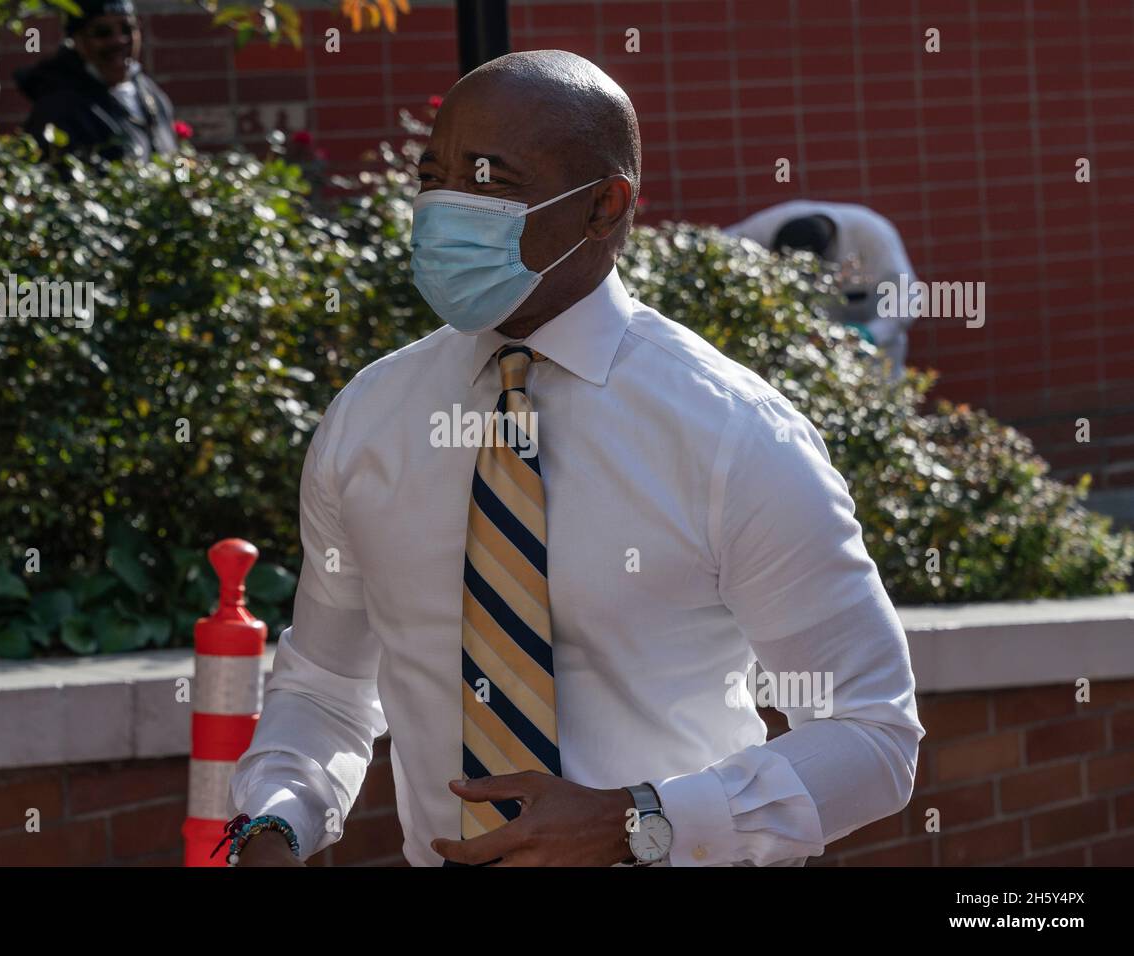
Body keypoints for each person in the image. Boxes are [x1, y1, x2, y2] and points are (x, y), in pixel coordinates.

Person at [227, 51, 925, 868]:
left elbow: (873, 736)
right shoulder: (368, 422)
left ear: (605, 206)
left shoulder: (736, 433)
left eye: (489, 179)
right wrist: (272, 825)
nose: (445, 205)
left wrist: (639, 823)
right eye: (433, 173)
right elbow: (325, 690)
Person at [726, 200, 923, 379]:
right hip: (805, 356)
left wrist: (871, 334)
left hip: (876, 354)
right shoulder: (763, 229)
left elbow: (908, 297)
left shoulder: (872, 235)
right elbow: (713, 247)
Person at [13, 0, 176, 162]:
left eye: (127, 29)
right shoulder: (59, 109)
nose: (119, 40)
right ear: (77, 40)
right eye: (103, 32)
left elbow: (175, 159)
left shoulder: (150, 93)